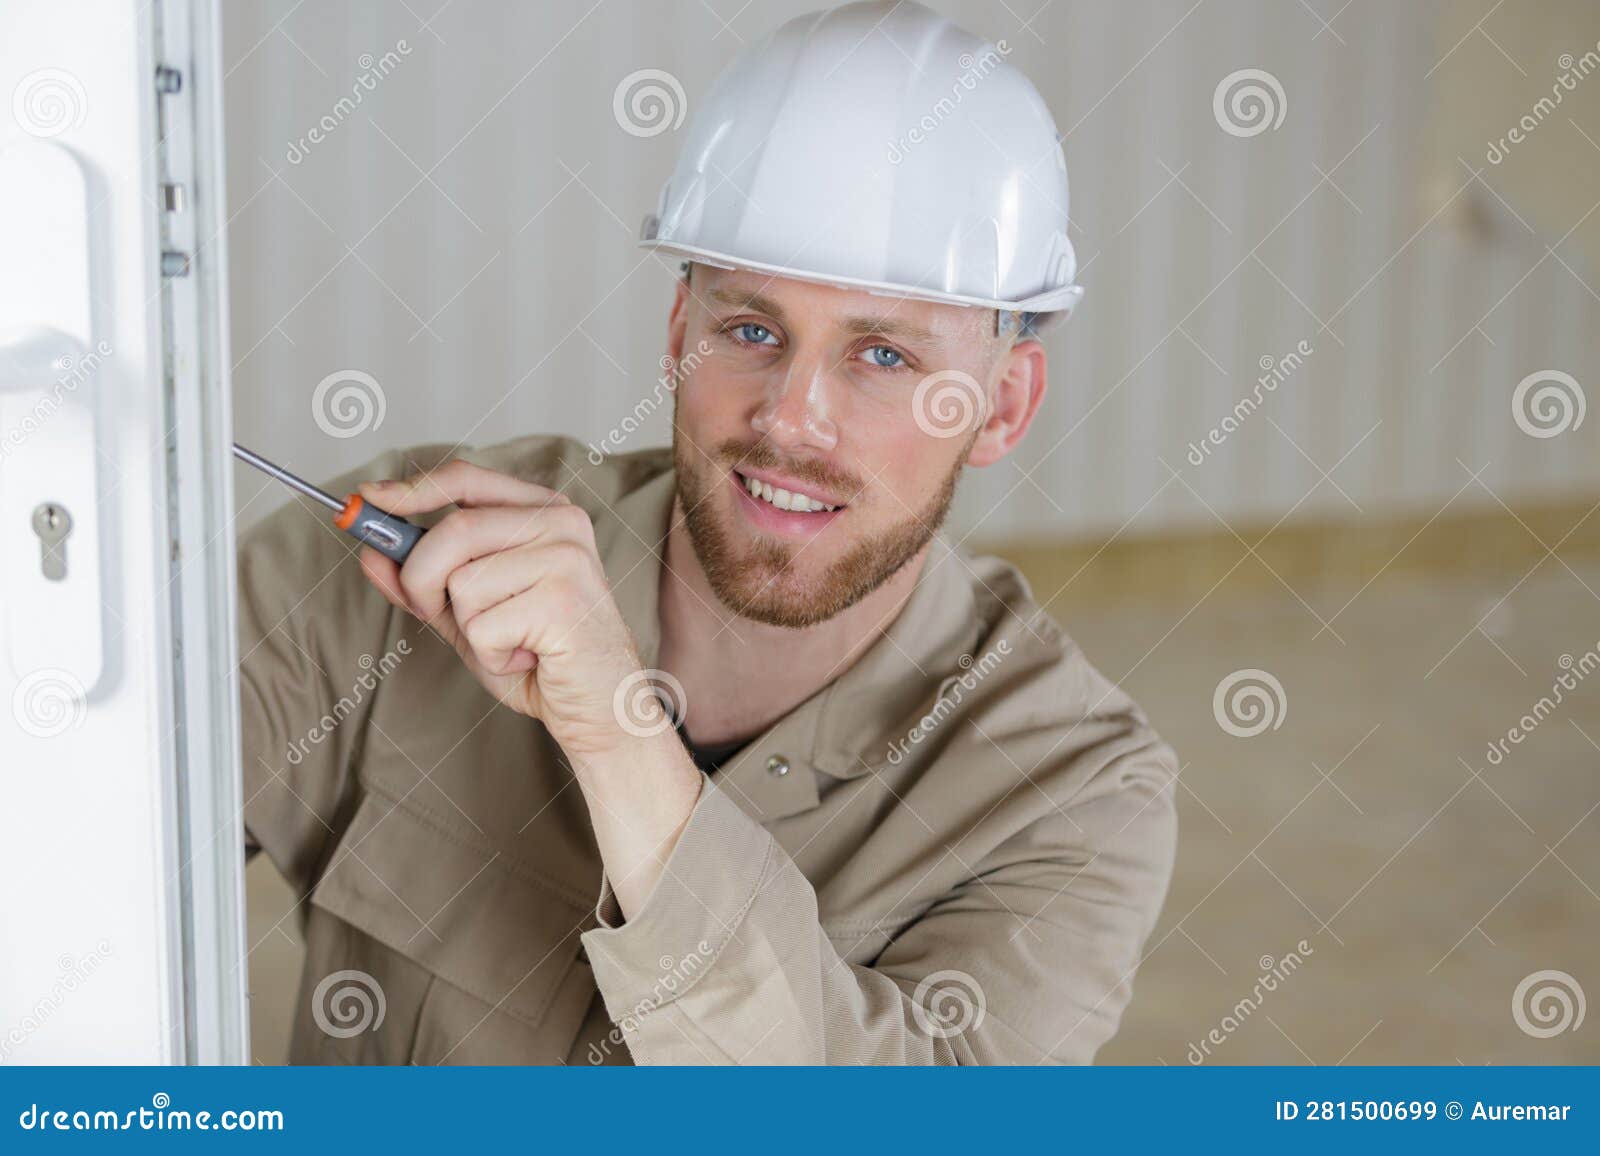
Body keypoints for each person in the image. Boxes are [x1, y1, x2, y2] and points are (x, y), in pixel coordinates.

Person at [239, 0, 1177, 1065]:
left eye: (882, 357)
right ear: (680, 333)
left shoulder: (1070, 797)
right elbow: (75, 806)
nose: (788, 418)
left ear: (1003, 405)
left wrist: (620, 739)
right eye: (749, 329)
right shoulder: (412, 556)